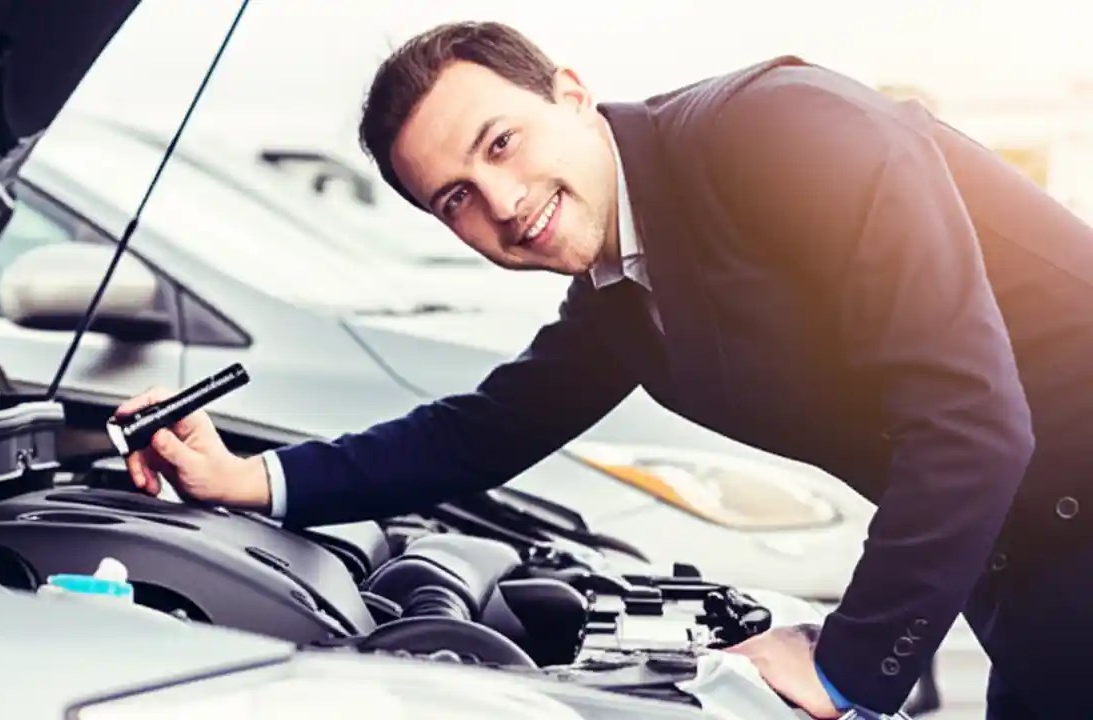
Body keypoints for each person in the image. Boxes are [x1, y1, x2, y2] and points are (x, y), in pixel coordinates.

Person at [116, 21, 1093, 719]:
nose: (499, 201)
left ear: (570, 93)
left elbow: (968, 417)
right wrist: (248, 479)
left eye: (500, 143)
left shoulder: (784, 129)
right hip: (1029, 568)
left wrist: (842, 665)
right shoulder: (623, 290)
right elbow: (482, 430)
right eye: (455, 196)